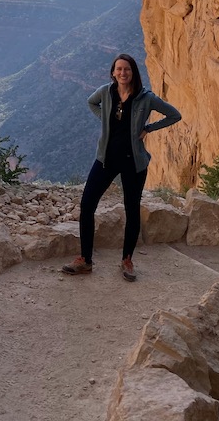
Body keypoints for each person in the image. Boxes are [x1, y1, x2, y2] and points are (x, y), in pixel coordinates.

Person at [61, 53, 181, 281]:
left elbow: (174, 115)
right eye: (119, 69)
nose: (123, 73)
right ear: (113, 72)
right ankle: (85, 260)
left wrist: (150, 128)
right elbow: (90, 102)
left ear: (133, 72)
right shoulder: (106, 92)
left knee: (132, 209)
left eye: (127, 69)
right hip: (106, 158)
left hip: (133, 161)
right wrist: (104, 118)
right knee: (87, 205)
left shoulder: (146, 98)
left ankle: (127, 260)